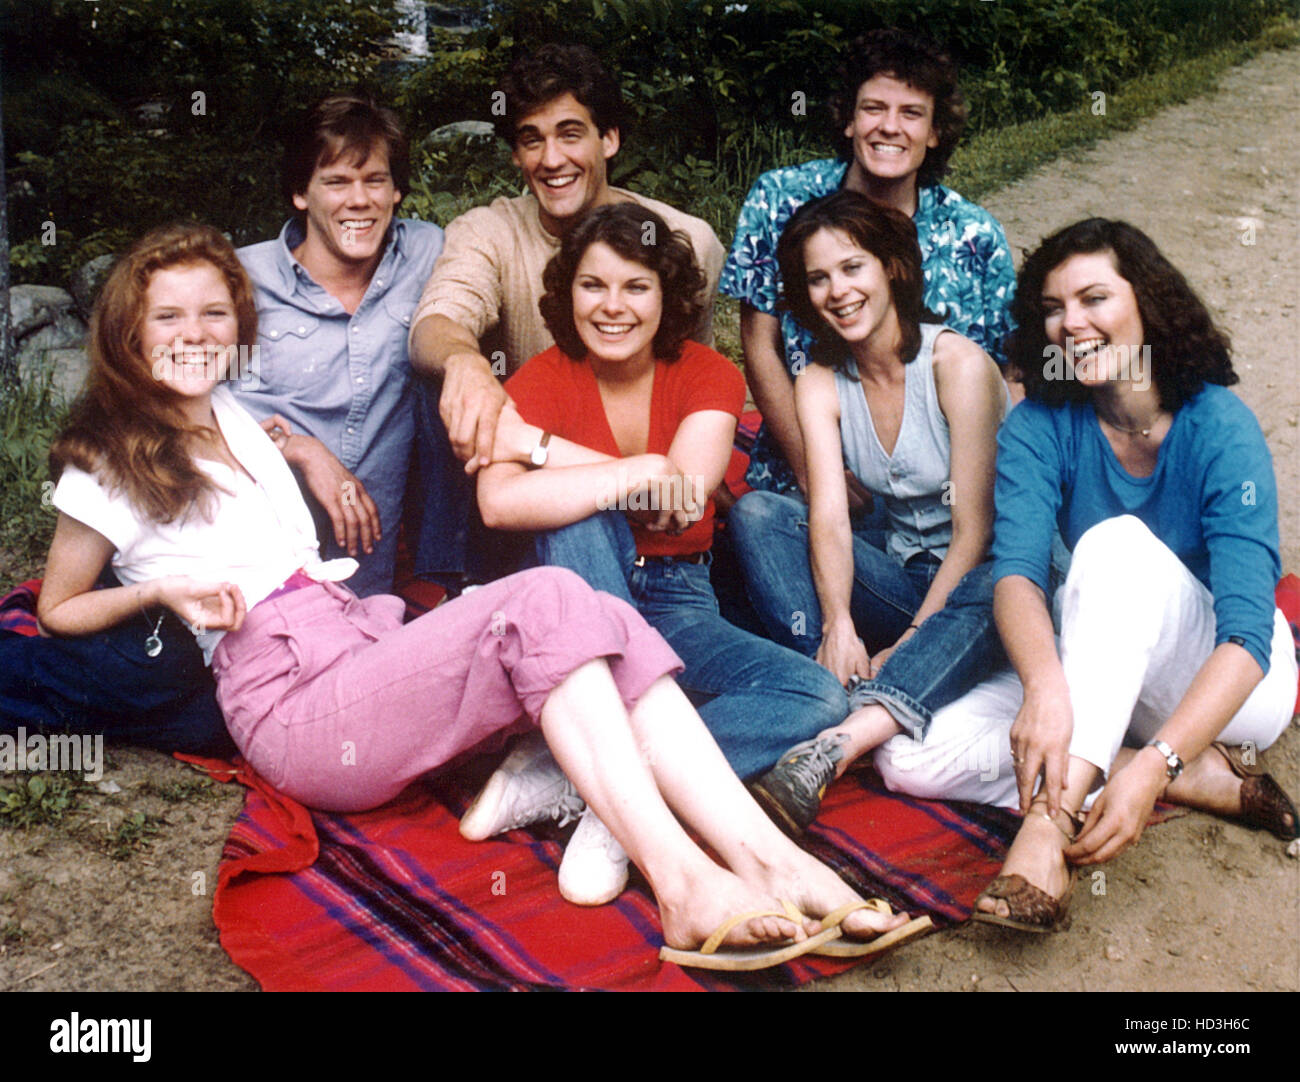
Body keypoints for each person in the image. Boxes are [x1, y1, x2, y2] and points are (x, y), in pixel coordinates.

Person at [35, 221, 919, 969]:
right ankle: (685, 889)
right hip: (290, 701)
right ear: (128, 332)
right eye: (168, 317)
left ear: (237, 326)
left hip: (358, 646)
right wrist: (166, 594)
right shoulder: (105, 456)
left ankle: (775, 864)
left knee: (596, 614)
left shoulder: (229, 413)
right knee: (544, 598)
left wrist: (305, 453)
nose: (193, 333)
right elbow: (58, 607)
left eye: (212, 313)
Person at [869, 219, 1298, 932]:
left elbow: (1249, 635)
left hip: (1231, 682)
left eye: (1094, 298)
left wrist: (1154, 763)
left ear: (1148, 304)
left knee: (1114, 546)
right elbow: (1017, 576)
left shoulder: (1220, 426)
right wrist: (1043, 687)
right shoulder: (1042, 423)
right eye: (1053, 308)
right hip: (1111, 676)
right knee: (909, 752)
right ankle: (1191, 777)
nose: (1072, 323)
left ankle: (1048, 826)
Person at [474, 203, 852, 904]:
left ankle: (598, 796)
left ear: (667, 296)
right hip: (585, 597)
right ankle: (621, 784)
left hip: (678, 595)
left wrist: (539, 449)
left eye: (635, 287)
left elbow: (681, 498)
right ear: (568, 295)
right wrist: (614, 477)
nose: (612, 307)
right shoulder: (541, 380)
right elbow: (498, 503)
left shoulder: (707, 373)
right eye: (593, 286)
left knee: (817, 693)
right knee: (578, 521)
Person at [728, 191, 1010, 835]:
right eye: (818, 278)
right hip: (905, 576)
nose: (838, 291)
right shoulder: (821, 380)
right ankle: (831, 689)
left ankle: (846, 732)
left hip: (984, 588)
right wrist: (837, 624)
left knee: (1001, 581)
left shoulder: (956, 366)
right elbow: (828, 515)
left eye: (853, 268)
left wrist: (910, 639)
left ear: (893, 269)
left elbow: (977, 533)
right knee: (760, 517)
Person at [407, 43, 724, 593]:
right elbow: (436, 322)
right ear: (515, 155)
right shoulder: (489, 231)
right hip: (521, 473)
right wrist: (465, 364)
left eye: (571, 133)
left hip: (641, 479)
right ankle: (453, 583)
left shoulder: (681, 240)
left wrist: (680, 477)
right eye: (532, 140)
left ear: (610, 139)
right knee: (433, 379)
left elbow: (691, 371)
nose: (552, 160)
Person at [721, 27, 1016, 498]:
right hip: (808, 469)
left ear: (935, 132)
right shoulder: (780, 200)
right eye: (873, 108)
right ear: (848, 120)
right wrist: (813, 472)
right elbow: (761, 347)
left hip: (943, 491)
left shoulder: (973, 235)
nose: (890, 127)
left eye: (912, 113)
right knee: (759, 521)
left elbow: (1006, 375)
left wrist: (986, 494)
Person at [234, 93, 445, 598]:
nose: (359, 200)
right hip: (252, 544)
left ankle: (450, 581)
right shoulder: (240, 280)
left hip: (365, 565)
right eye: (336, 182)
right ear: (300, 194)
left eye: (375, 180)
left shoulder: (427, 253)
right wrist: (298, 451)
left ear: (397, 192)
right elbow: (167, 408)